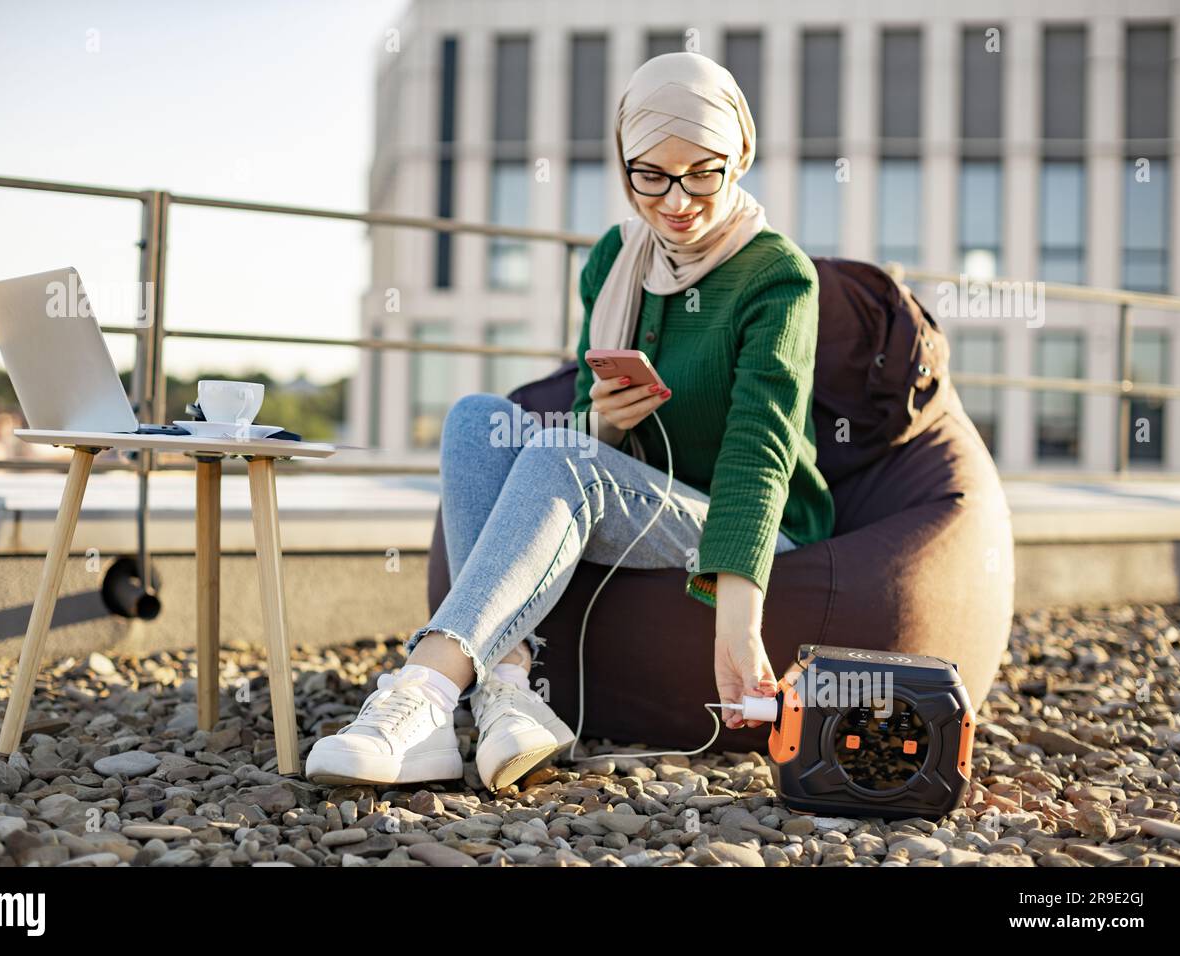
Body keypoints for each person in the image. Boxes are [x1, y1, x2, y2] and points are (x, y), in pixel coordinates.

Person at [305, 51, 835, 791]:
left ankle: (422, 692)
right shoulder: (617, 258)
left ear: (740, 154)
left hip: (752, 521)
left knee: (564, 455)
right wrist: (607, 423)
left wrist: (739, 627)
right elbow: (592, 422)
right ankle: (510, 693)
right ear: (623, 165)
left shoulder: (777, 275)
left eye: (702, 172)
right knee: (475, 418)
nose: (677, 200)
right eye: (651, 174)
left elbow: (760, 451)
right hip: (637, 490)